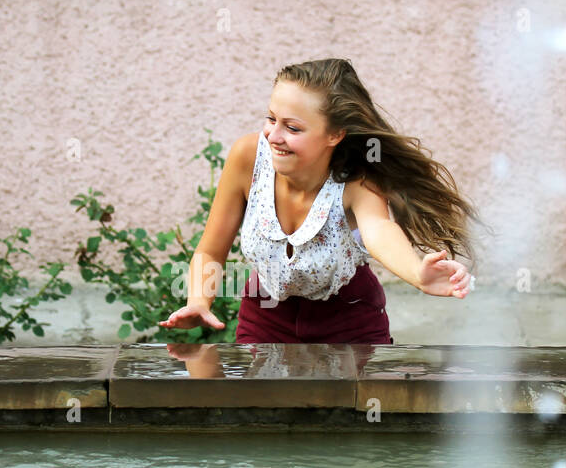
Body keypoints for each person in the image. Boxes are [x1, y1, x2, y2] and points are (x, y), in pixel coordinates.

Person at [160, 58, 486, 344]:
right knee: (261, 412)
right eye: (271, 119)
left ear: (335, 135)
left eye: (293, 127)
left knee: (348, 414)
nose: (274, 136)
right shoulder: (247, 157)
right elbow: (209, 249)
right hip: (265, 317)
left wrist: (418, 272)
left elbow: (379, 229)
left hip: (349, 321)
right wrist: (199, 301)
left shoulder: (357, 179)